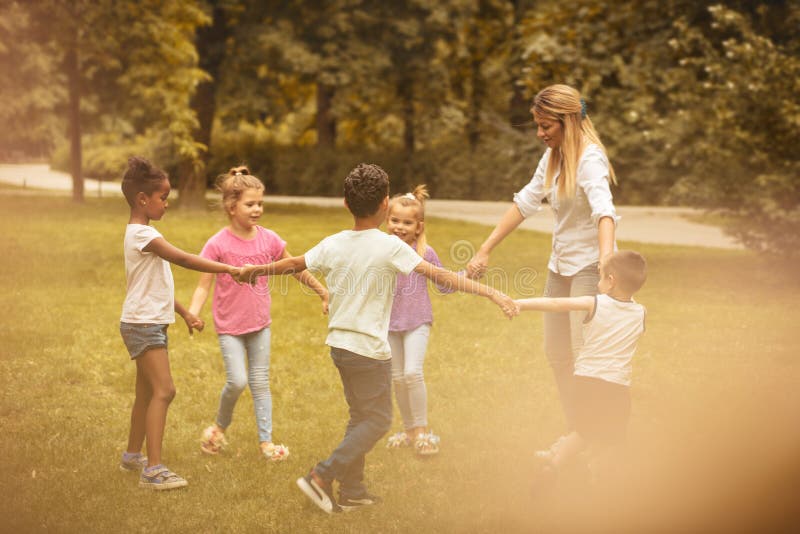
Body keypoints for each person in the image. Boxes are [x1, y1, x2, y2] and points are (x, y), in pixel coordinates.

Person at [237, 163, 517, 514]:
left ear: (345, 203)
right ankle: (321, 476)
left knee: (360, 416)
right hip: (368, 350)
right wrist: (492, 293)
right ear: (386, 205)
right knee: (379, 419)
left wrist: (255, 270)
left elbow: (292, 263)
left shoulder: (334, 243)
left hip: (340, 347)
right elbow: (441, 275)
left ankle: (353, 491)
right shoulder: (390, 247)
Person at [467, 84, 618, 455]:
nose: (539, 133)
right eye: (537, 125)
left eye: (545, 125)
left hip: (588, 267)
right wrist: (485, 249)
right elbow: (525, 203)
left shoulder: (590, 159)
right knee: (557, 354)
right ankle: (577, 432)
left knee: (585, 358)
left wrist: (606, 266)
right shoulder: (552, 159)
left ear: (567, 121)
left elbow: (605, 213)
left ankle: (591, 439)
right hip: (560, 266)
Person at [188, 166, 328, 461]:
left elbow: (294, 268)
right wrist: (193, 314)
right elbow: (203, 285)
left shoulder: (269, 240)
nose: (257, 209)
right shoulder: (217, 244)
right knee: (237, 381)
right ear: (231, 206)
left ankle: (266, 443)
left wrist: (322, 290)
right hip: (229, 327)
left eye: (260, 204)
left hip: (259, 325)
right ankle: (218, 428)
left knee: (260, 383)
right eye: (250, 204)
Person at [118, 156, 241, 490]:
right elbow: (184, 259)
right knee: (165, 390)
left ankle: (133, 456)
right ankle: (153, 469)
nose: (167, 203)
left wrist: (185, 313)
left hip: (147, 322)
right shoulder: (142, 235)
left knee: (146, 393)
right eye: (163, 197)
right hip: (142, 325)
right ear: (143, 199)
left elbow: (155, 287)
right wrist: (228, 268)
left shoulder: (143, 234)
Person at [513, 250, 647, 488]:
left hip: (586, 383)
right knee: (612, 438)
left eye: (602, 276)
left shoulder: (594, 303)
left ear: (611, 281)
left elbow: (555, 303)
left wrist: (519, 304)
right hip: (617, 387)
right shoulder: (640, 313)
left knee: (583, 432)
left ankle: (554, 466)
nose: (598, 282)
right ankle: (597, 479)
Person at [384, 185, 455, 456]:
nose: (399, 227)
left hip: (417, 322)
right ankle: (409, 430)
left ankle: (423, 432)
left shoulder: (425, 253)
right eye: (395, 221)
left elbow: (445, 283)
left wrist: (468, 275)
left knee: (412, 373)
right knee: (398, 378)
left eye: (407, 222)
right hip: (389, 325)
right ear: (386, 221)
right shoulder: (381, 250)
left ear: (418, 226)